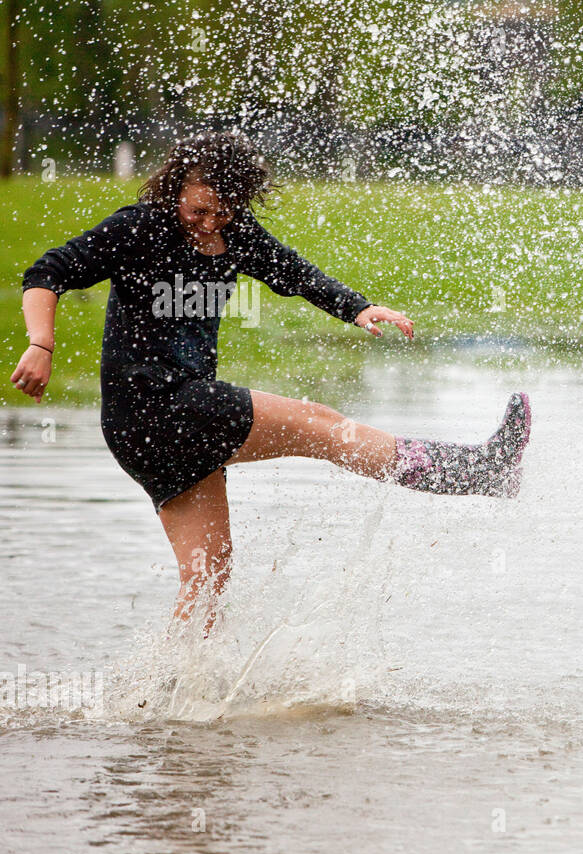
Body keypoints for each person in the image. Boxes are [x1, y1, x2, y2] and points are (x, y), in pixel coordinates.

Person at [12, 130, 531, 636]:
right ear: (176, 189)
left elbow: (296, 274)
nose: (209, 223)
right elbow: (46, 273)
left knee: (209, 575)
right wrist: (42, 345)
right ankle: (476, 471)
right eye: (199, 210)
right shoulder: (138, 227)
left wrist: (358, 307)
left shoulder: (234, 235)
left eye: (224, 211)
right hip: (155, 407)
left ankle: (176, 695)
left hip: (159, 429)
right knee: (323, 426)